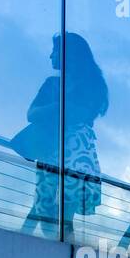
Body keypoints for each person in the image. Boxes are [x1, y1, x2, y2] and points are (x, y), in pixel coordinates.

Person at [16, 33, 108, 237]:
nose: (50, 56)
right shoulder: (52, 84)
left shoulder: (89, 85)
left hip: (74, 148)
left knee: (63, 206)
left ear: (69, 54)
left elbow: (79, 113)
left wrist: (54, 109)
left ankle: (57, 253)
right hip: (53, 146)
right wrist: (60, 106)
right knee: (46, 206)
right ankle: (56, 252)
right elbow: (31, 114)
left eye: (55, 50)